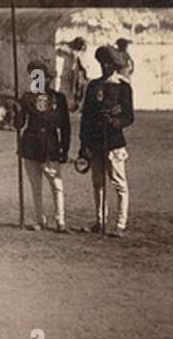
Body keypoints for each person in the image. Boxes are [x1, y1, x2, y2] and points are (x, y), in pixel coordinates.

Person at [78, 45, 135, 237]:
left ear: (114, 65)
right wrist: (83, 145)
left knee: (119, 183)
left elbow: (129, 116)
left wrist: (115, 121)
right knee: (98, 183)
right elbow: (86, 117)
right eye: (102, 63)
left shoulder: (123, 86)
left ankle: (120, 223)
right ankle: (100, 220)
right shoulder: (93, 86)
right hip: (95, 141)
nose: (104, 67)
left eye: (108, 64)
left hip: (114, 141)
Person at [15, 58, 71, 232]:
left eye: (45, 77)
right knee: (36, 187)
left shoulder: (59, 99)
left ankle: (60, 221)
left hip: (51, 147)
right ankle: (40, 219)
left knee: (57, 185)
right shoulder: (27, 97)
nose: (41, 81)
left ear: (50, 79)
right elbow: (19, 124)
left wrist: (64, 148)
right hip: (31, 146)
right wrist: (17, 112)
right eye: (37, 77)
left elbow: (65, 127)